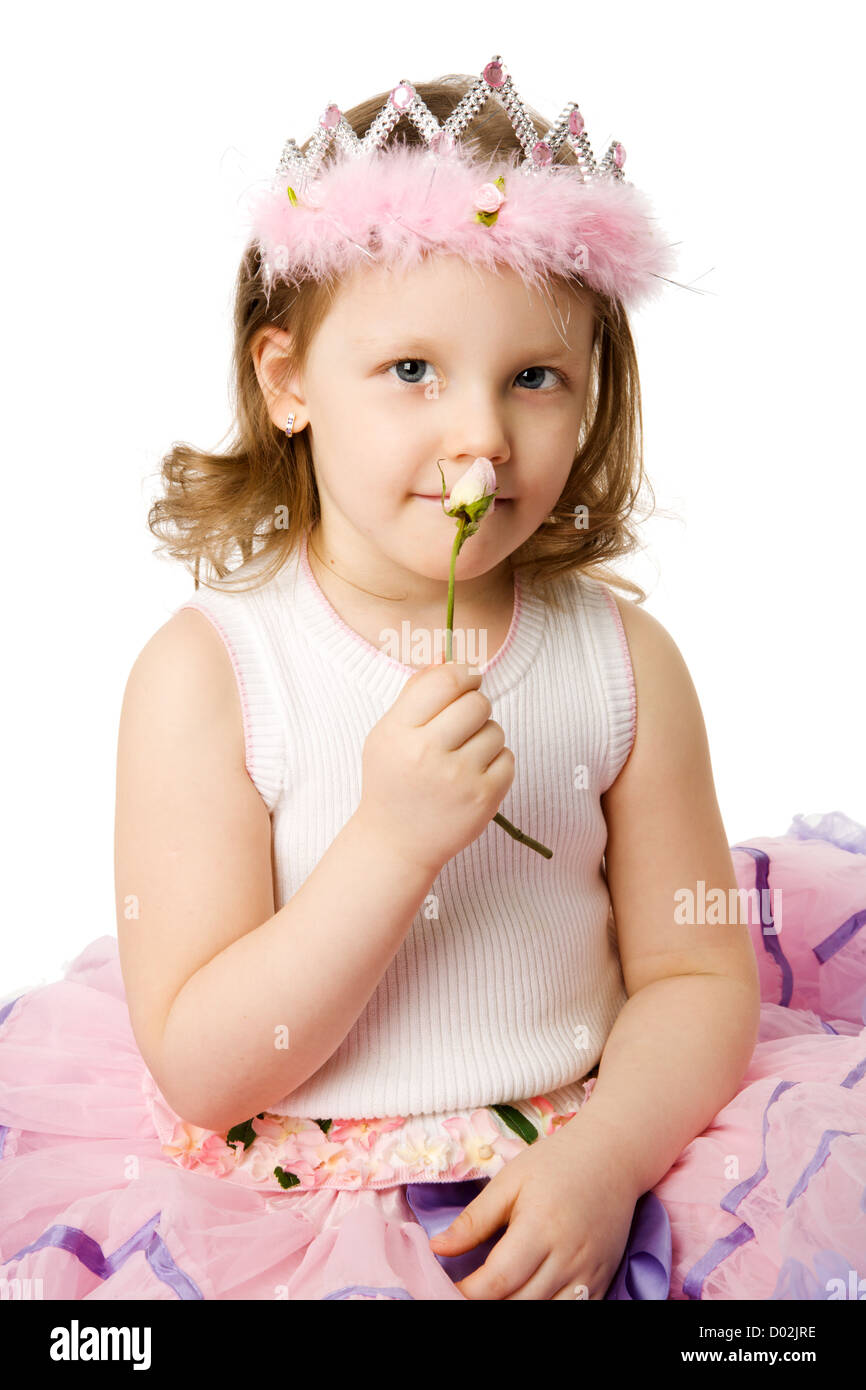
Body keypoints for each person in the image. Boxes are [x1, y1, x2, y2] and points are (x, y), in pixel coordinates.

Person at [1, 58, 864, 1303]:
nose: (481, 437)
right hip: (291, 1212)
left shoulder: (620, 663)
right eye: (412, 370)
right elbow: (204, 1066)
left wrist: (606, 1159)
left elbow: (694, 973)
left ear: (591, 392)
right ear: (287, 381)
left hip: (573, 1160)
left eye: (533, 377)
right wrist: (391, 842)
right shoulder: (211, 674)